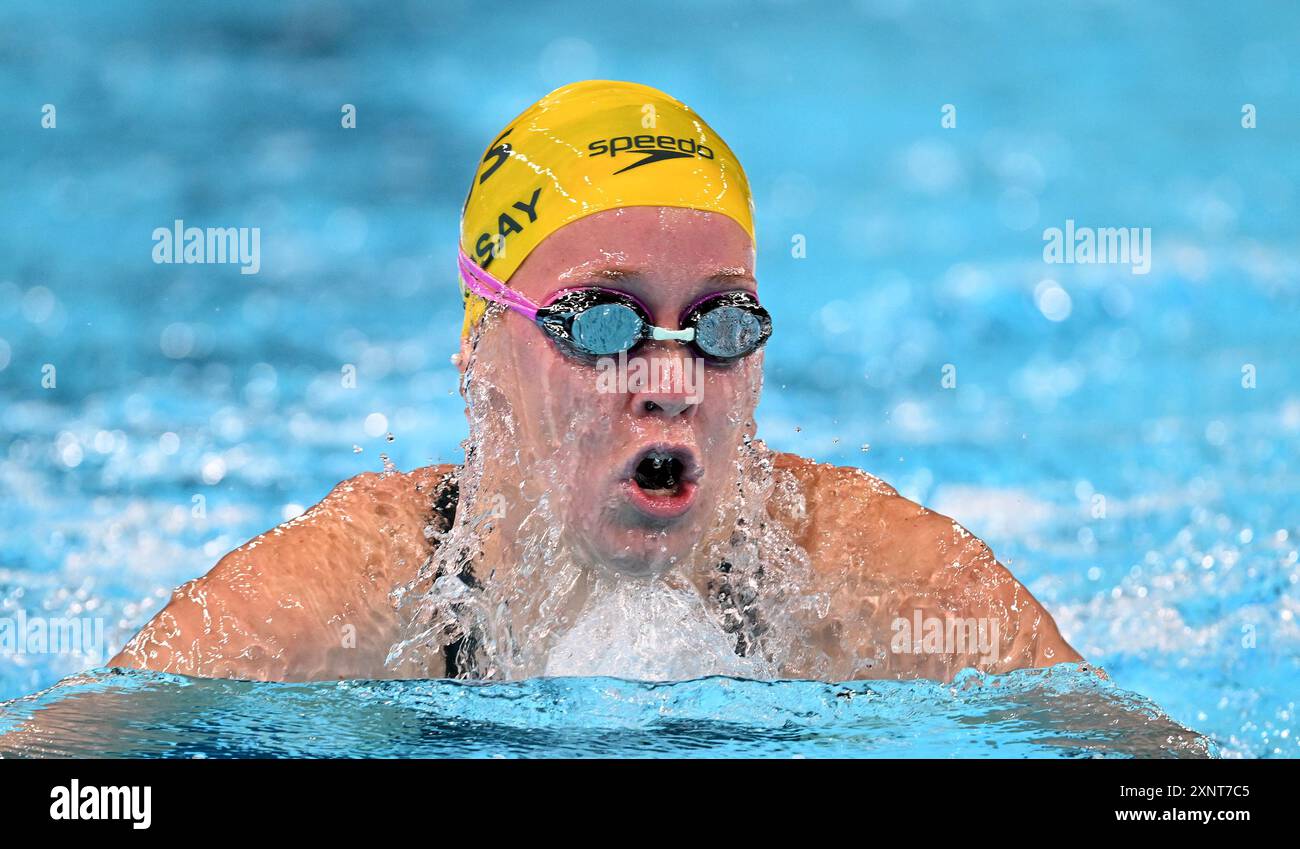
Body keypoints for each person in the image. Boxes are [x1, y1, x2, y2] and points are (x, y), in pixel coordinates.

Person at [110, 80, 1081, 683]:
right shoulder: (355, 594)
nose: (672, 381)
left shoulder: (862, 578)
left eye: (721, 324)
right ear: (482, 354)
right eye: (601, 322)